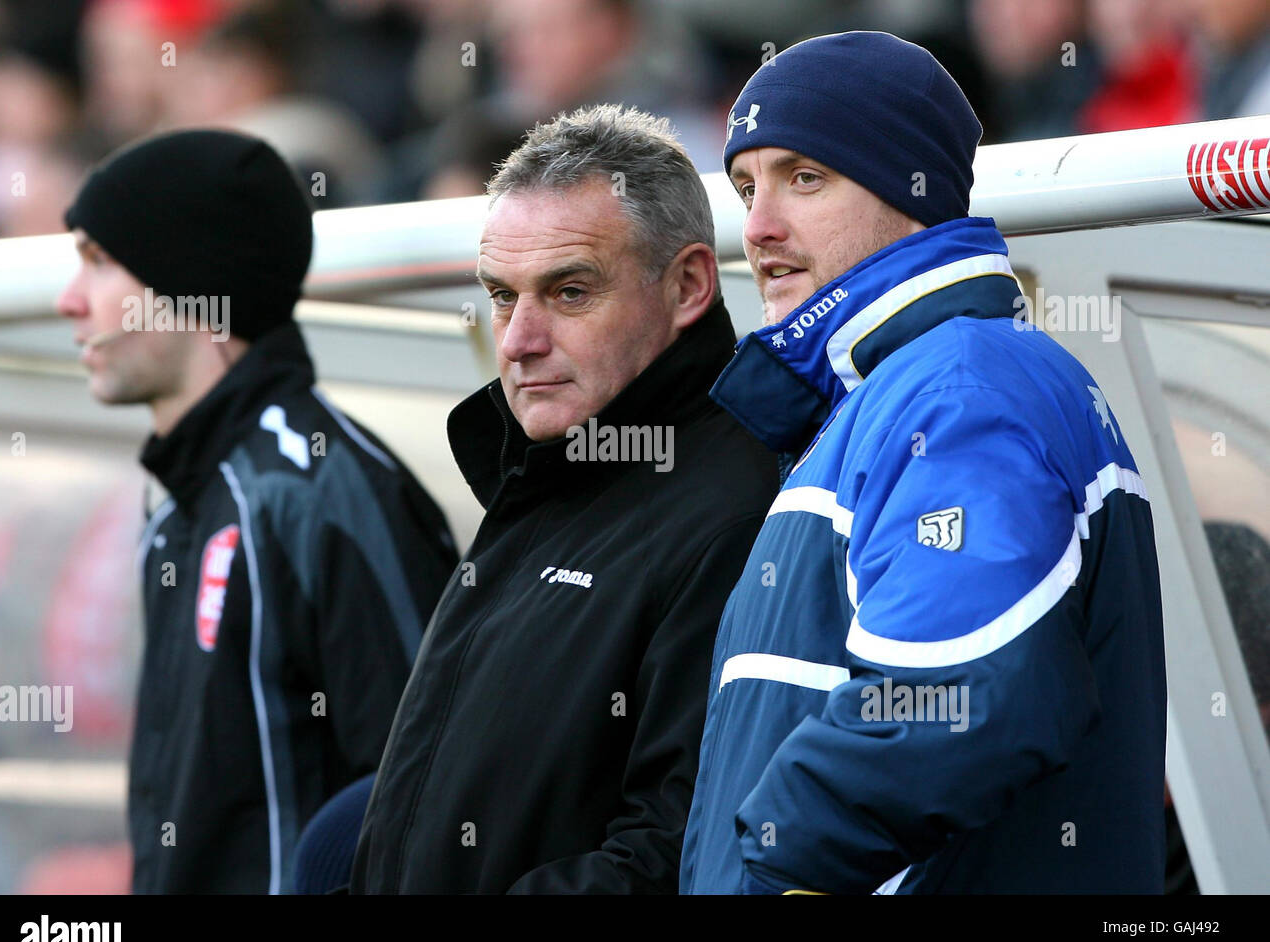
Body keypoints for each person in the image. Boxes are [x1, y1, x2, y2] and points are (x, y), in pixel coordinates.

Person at [680, 32, 1168, 894]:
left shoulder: (958, 389)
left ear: (912, 188)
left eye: (804, 177)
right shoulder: (900, 391)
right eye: (746, 186)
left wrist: (774, 860)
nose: (757, 226)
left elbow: (964, 693)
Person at [350, 104, 779, 893]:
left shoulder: (738, 515)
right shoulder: (548, 467)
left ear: (687, 284)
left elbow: (676, 852)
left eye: (570, 292)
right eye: (502, 295)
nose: (517, 340)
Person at [56, 129, 458, 893]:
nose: (68, 299)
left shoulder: (317, 490)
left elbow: (422, 800)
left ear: (194, 283)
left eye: (99, 260)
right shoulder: (182, 501)